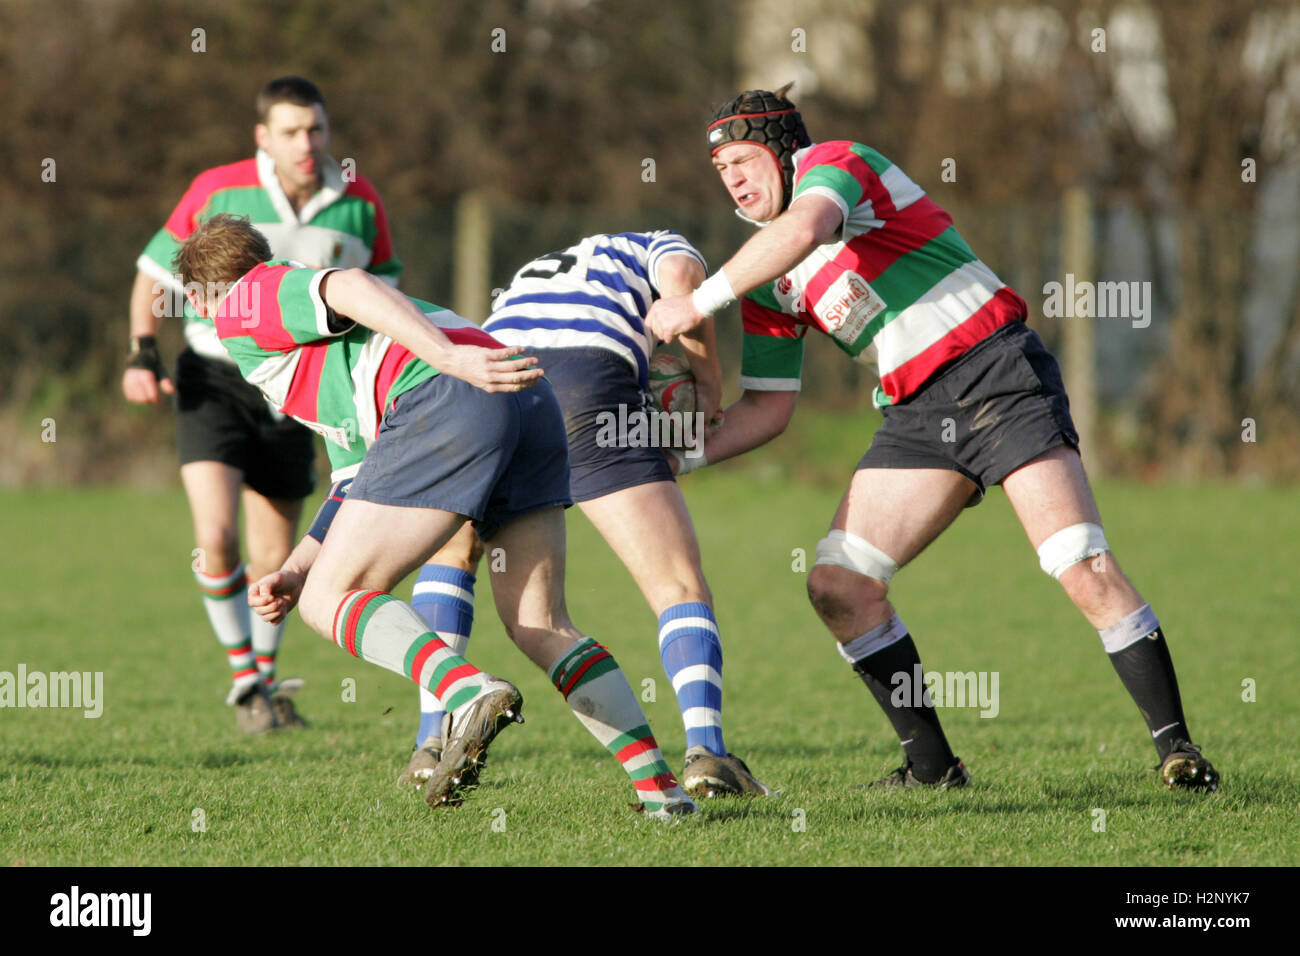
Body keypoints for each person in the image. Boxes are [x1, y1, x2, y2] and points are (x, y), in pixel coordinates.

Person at [646, 85, 1219, 792]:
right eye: (720, 169)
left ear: (783, 148)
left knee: (1079, 564)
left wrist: (694, 304)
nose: (731, 177)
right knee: (839, 587)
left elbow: (804, 229)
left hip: (996, 372)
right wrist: (670, 457)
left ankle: (1179, 752)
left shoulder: (837, 164)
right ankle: (933, 769)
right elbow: (766, 409)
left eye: (742, 157)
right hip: (917, 416)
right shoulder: (767, 279)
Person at [177, 213, 697, 818]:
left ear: (196, 297)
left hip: (453, 393)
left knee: (331, 600)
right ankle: (663, 795)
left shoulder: (247, 299)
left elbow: (347, 286)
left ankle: (466, 691)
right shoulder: (318, 356)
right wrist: (297, 565)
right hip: (528, 398)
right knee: (540, 622)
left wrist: (446, 359)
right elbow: (355, 479)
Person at [394, 232, 769, 798]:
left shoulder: (536, 270)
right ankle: (707, 753)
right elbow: (682, 288)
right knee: (675, 581)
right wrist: (709, 381)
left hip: (491, 377)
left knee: (456, 553)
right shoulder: (661, 242)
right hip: (586, 376)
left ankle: (429, 744)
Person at [123, 76, 401, 733]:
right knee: (216, 538)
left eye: (316, 130)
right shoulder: (216, 189)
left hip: (302, 388)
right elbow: (154, 274)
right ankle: (247, 681)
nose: (306, 143)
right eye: (290, 131)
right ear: (262, 137)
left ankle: (266, 687)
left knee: (278, 557)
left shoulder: (360, 202)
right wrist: (142, 351)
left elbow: (386, 300)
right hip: (214, 379)